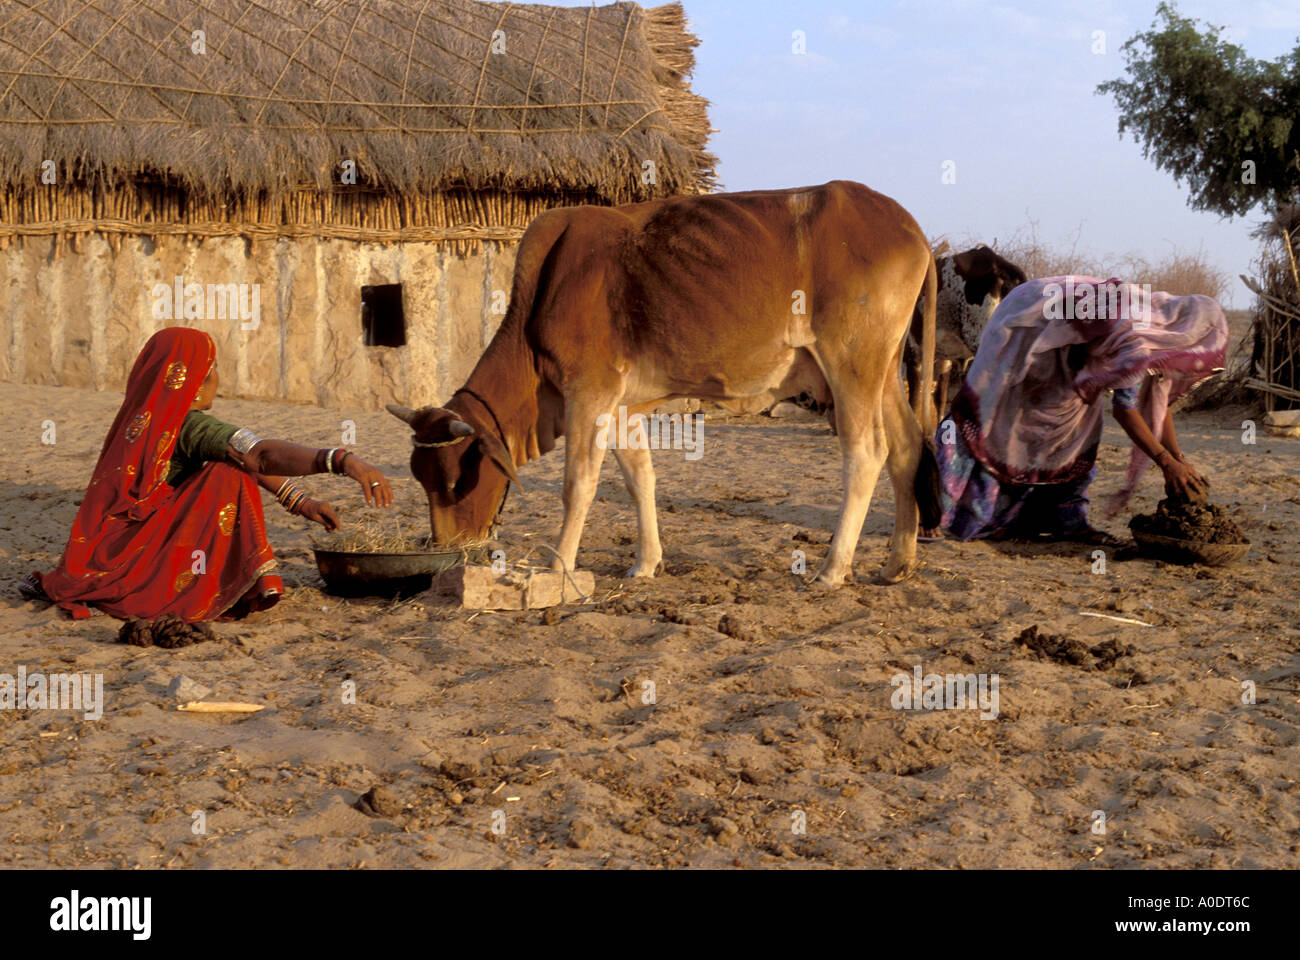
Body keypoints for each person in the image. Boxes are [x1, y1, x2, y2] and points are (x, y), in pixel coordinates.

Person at [23, 327, 394, 621]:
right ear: (196, 377)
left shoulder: (141, 420)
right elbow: (258, 457)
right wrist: (342, 461)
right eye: (211, 366)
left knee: (227, 464)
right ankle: (209, 586)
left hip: (108, 551)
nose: (217, 375)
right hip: (140, 562)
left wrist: (300, 501)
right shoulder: (189, 425)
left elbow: (247, 457)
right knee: (225, 475)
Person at [935, 276, 1227, 544]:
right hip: (1029, 326)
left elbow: (1159, 405)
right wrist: (1166, 463)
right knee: (997, 419)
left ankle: (1067, 521)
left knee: (1078, 430)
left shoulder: (1162, 334)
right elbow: (1125, 408)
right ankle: (934, 512)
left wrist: (1179, 461)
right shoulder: (1138, 338)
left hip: (1069, 348)